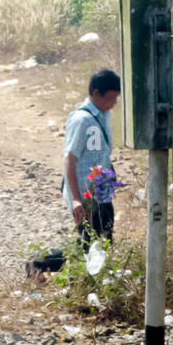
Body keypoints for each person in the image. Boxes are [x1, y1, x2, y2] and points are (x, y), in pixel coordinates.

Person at [62, 68, 121, 248]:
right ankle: (39, 264)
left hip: (101, 191)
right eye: (110, 98)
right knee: (88, 246)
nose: (113, 103)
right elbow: (69, 160)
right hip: (85, 194)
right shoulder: (82, 120)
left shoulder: (103, 116)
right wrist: (76, 199)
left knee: (104, 239)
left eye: (115, 98)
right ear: (96, 93)